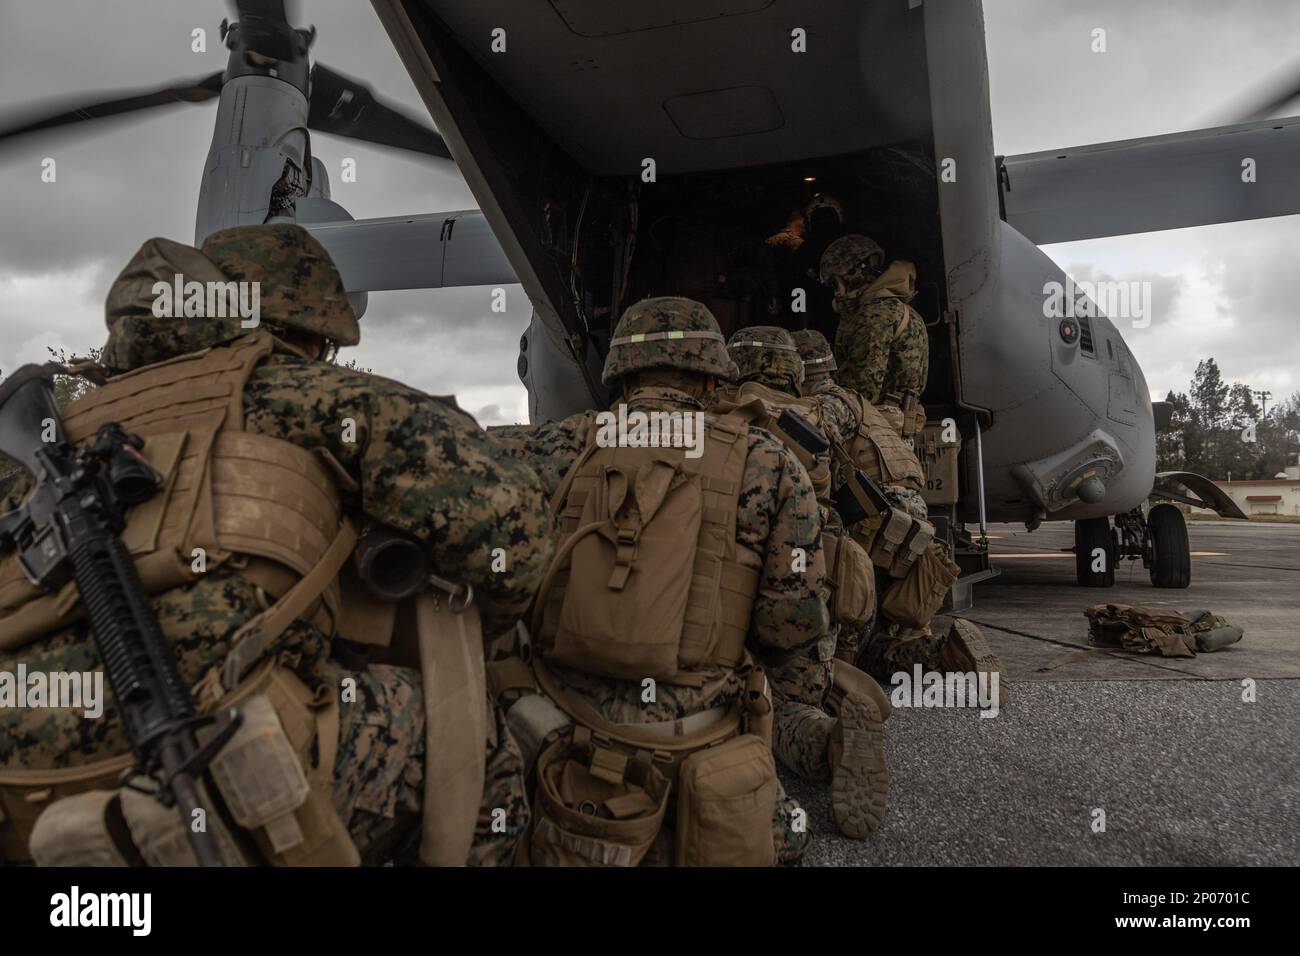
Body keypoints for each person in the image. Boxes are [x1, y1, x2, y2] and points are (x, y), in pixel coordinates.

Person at [0, 225, 552, 867]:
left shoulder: (57, 433)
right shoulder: (313, 395)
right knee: (471, 737)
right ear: (310, 335)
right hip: (209, 743)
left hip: (19, 775)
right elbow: (516, 543)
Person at [491, 296, 828, 865]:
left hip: (557, 727)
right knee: (785, 834)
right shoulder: (770, 462)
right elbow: (789, 626)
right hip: (694, 743)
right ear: (709, 376)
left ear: (621, 374)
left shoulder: (556, 445)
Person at [711, 325, 892, 839]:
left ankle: (770, 768)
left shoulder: (718, 416)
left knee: (726, 697)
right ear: (791, 368)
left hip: (734, 587)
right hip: (813, 589)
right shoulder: (820, 415)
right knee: (796, 696)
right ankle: (830, 734)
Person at [790, 328, 1006, 695]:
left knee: (846, 646)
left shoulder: (826, 405)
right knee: (888, 639)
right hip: (908, 530)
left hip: (872, 529)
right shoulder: (861, 403)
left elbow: (802, 455)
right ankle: (943, 656)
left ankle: (828, 681)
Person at [820, 234, 928, 407]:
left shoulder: (875, 314)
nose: (836, 293)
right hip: (895, 422)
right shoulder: (898, 308)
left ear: (854, 275)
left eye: (835, 283)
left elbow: (861, 394)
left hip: (877, 424)